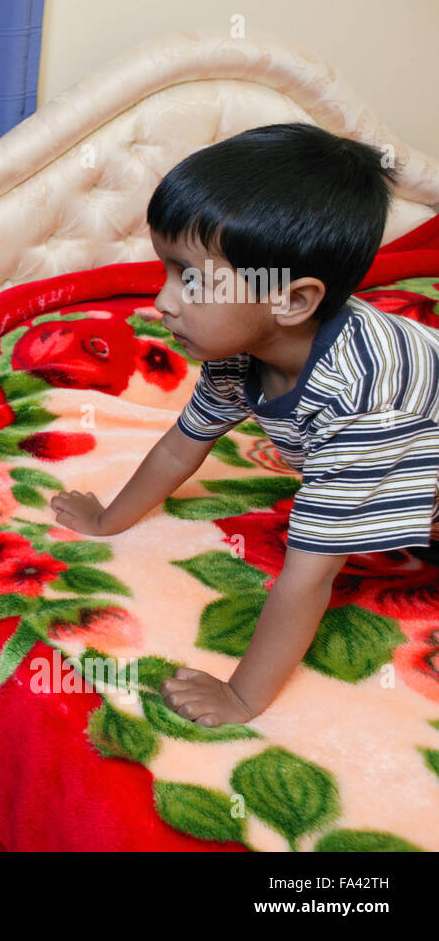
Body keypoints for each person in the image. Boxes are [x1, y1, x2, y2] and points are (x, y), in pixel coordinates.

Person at [49, 123, 432, 727]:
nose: (163, 302)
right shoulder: (237, 353)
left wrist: (241, 697)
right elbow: (182, 446)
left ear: (294, 301)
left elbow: (310, 576)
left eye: (192, 279)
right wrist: (105, 520)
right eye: (167, 272)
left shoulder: (361, 403)